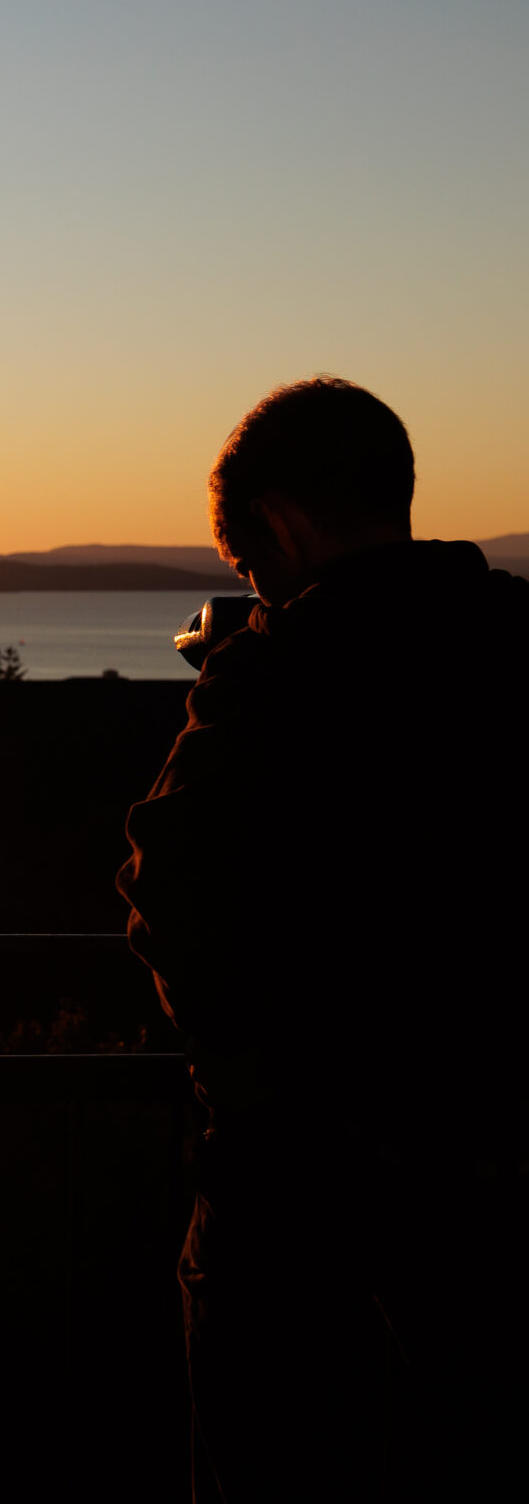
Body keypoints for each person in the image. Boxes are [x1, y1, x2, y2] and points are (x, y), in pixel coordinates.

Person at [118, 378, 529, 1500]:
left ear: (283, 524)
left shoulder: (275, 671)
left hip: (294, 1179)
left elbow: (168, 886)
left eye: (251, 565)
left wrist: (251, 1082)